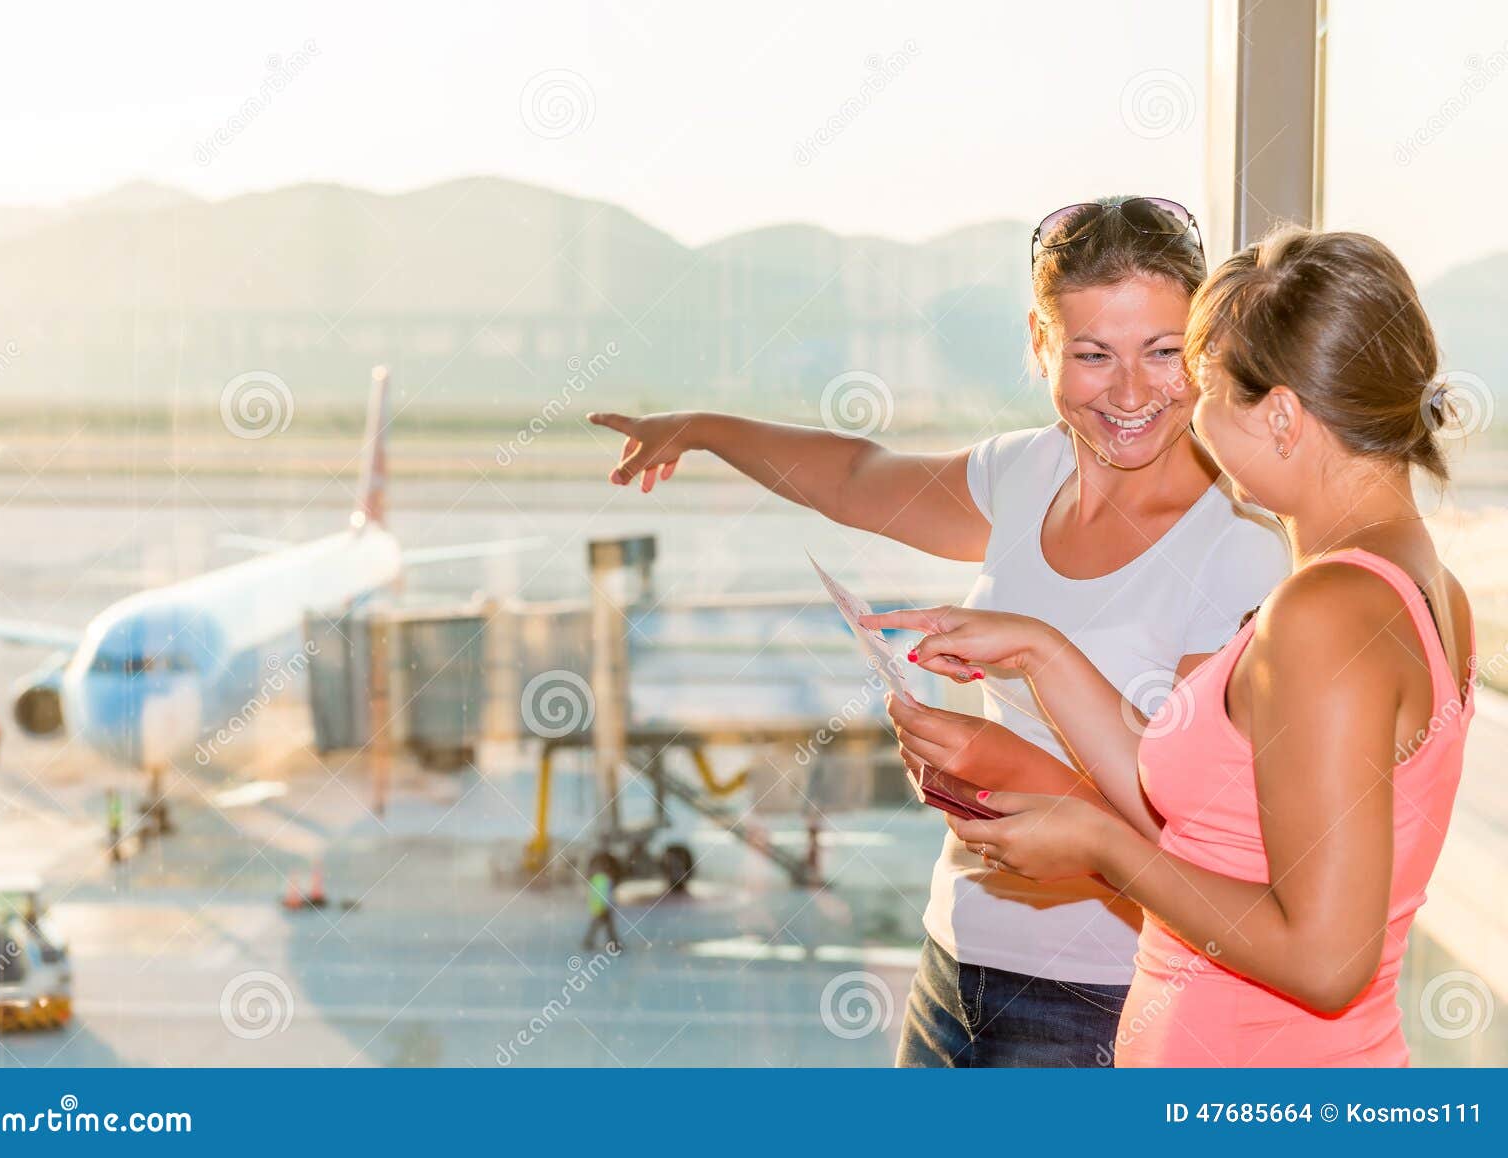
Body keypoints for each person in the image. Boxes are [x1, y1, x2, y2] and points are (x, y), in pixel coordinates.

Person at [588, 196, 1291, 1067]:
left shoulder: (1239, 543)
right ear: (1040, 345)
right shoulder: (1027, 471)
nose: (1132, 391)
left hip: (1102, 1000)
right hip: (955, 961)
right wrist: (702, 428)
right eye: (1092, 354)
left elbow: (1184, 831)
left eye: (1162, 352)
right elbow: (857, 477)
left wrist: (992, 765)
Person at [885, 228, 1473, 1066]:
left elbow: (1327, 961)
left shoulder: (1327, 610)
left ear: (1279, 417)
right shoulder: (1422, 582)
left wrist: (1102, 848)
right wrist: (1040, 650)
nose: (1190, 414)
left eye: (1207, 388)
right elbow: (1223, 826)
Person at [583, 865, 623, 954]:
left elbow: (593, 894)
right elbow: (606, 895)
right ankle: (614, 944)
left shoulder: (596, 879)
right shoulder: (606, 880)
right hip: (604, 907)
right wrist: (609, 905)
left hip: (598, 907)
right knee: (608, 927)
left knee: (597, 926)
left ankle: (588, 942)